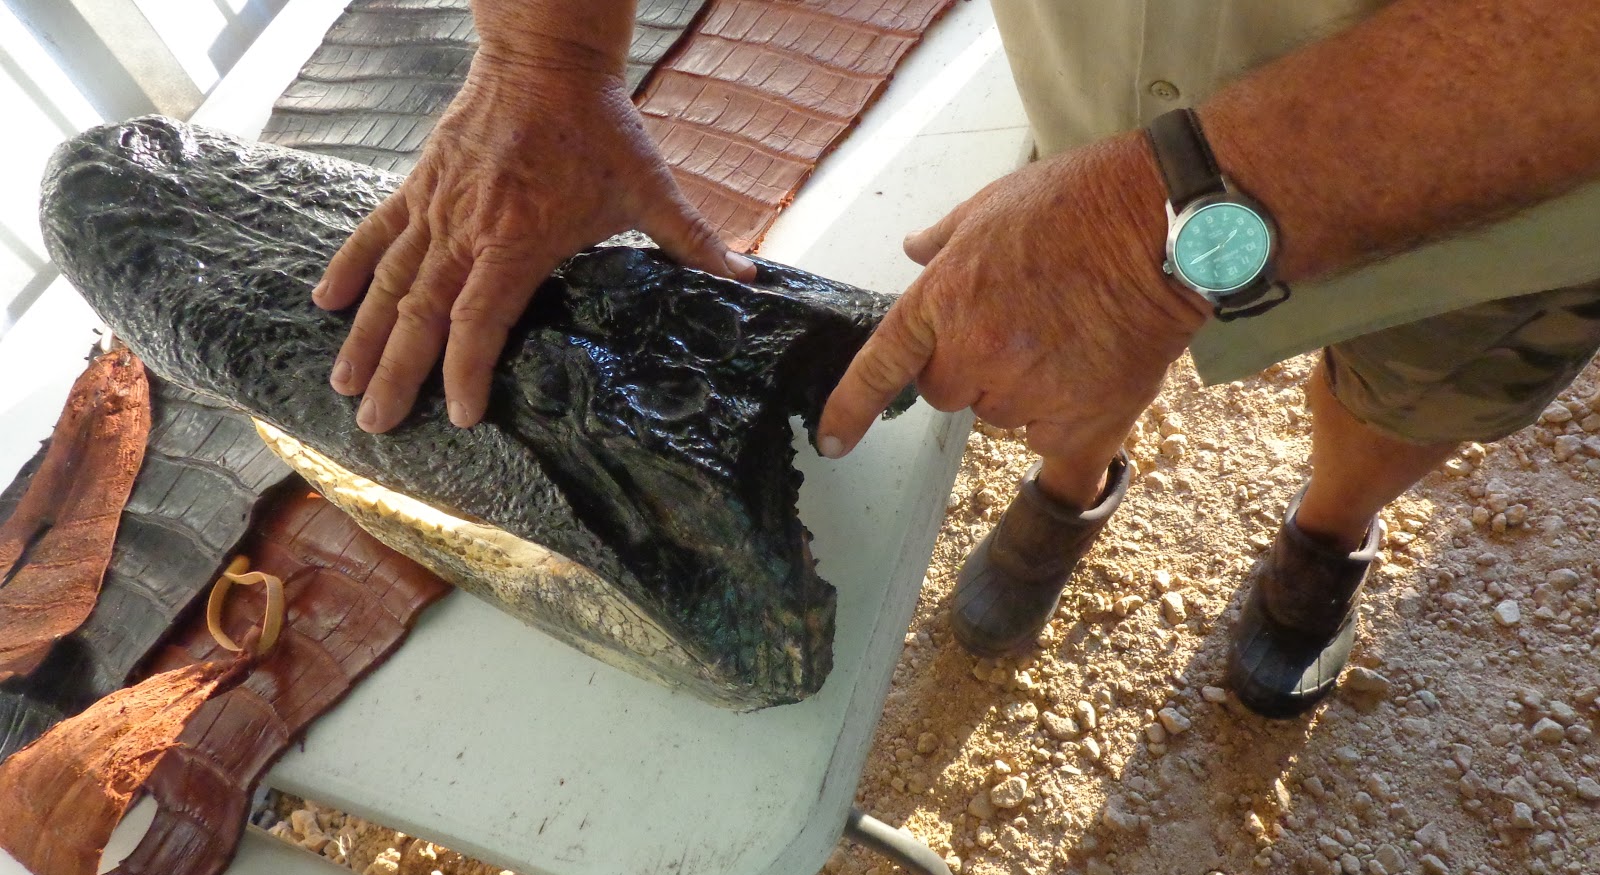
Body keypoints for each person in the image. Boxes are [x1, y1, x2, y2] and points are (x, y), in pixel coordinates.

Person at [312, 0, 1600, 718]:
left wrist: (1125, 239)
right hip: (1103, 73)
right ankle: (1073, 478)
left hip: (1523, 190)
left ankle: (1328, 530)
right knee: (1059, 344)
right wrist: (548, 51)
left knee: (1425, 376)